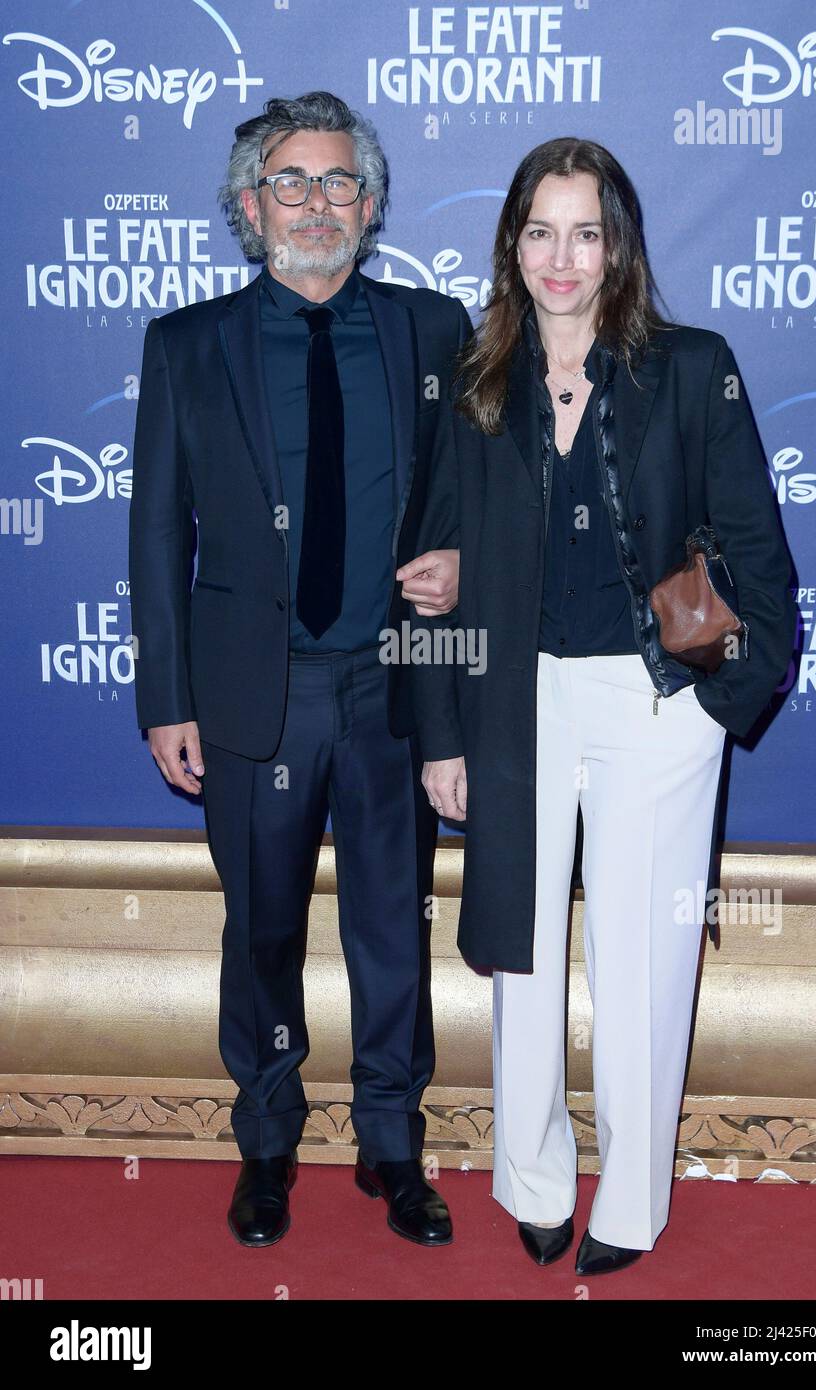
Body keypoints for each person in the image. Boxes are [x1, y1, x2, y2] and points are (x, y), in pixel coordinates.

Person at [412, 137, 797, 1274]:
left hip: (655, 700)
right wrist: (442, 733)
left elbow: (763, 563)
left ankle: (631, 1201)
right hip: (515, 699)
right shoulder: (477, 384)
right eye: (541, 230)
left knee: (644, 959)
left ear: (618, 242)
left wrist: (712, 708)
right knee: (518, 957)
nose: (563, 256)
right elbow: (430, 569)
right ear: (513, 245)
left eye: (586, 231)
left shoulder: (690, 366)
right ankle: (532, 1178)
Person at [129, 91, 472, 1249]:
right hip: (249, 695)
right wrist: (166, 698)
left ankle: (393, 1149)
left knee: (392, 928)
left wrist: (462, 562)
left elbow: (481, 497)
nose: (315, 203)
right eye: (291, 181)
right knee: (261, 930)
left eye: (338, 182)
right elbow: (154, 533)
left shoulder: (434, 331)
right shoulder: (186, 344)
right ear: (247, 204)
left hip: (393, 687)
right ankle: (267, 1144)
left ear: (370, 205)